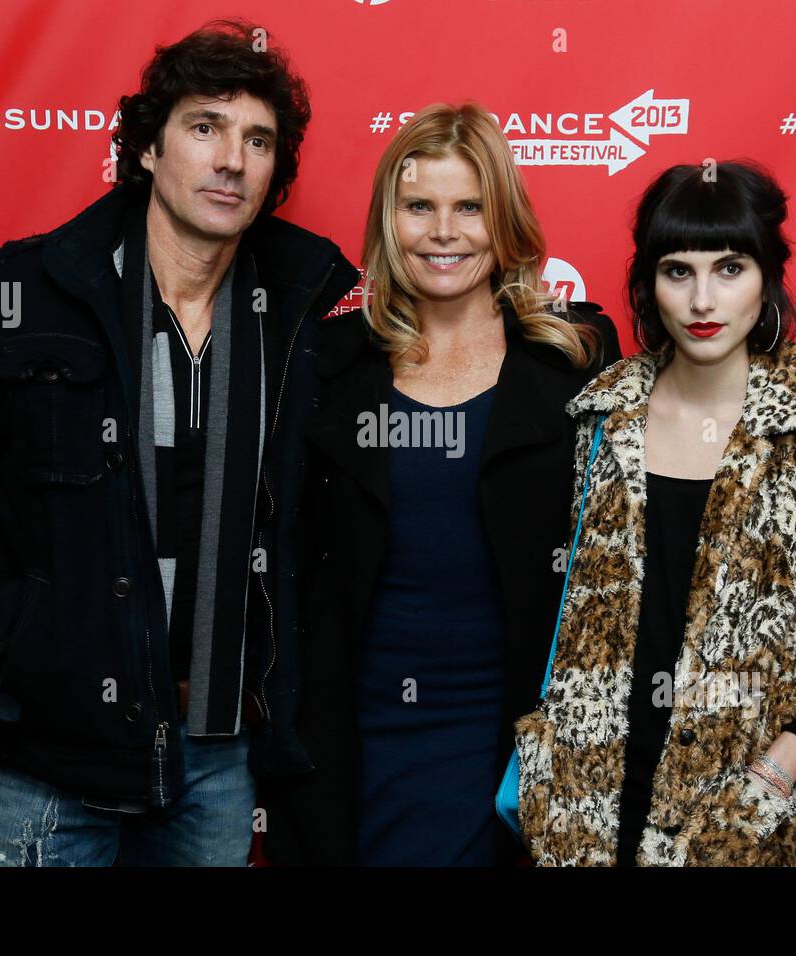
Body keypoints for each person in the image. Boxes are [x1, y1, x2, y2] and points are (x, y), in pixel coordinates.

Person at [0, 19, 359, 866]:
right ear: (150, 150)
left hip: (219, 759)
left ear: (275, 174)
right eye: (205, 127)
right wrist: (24, 641)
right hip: (53, 763)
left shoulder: (305, 314)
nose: (232, 158)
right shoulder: (24, 289)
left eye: (258, 140)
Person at [513, 159, 796, 866]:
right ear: (648, 284)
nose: (702, 299)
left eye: (730, 268)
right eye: (677, 271)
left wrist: (772, 775)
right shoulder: (597, 419)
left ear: (768, 278)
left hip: (730, 825)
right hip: (585, 809)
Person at [259, 102, 621, 866]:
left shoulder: (574, 360)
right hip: (361, 730)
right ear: (390, 221)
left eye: (469, 208)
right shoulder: (326, 363)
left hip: (516, 733)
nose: (444, 231)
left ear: (504, 220)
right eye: (419, 206)